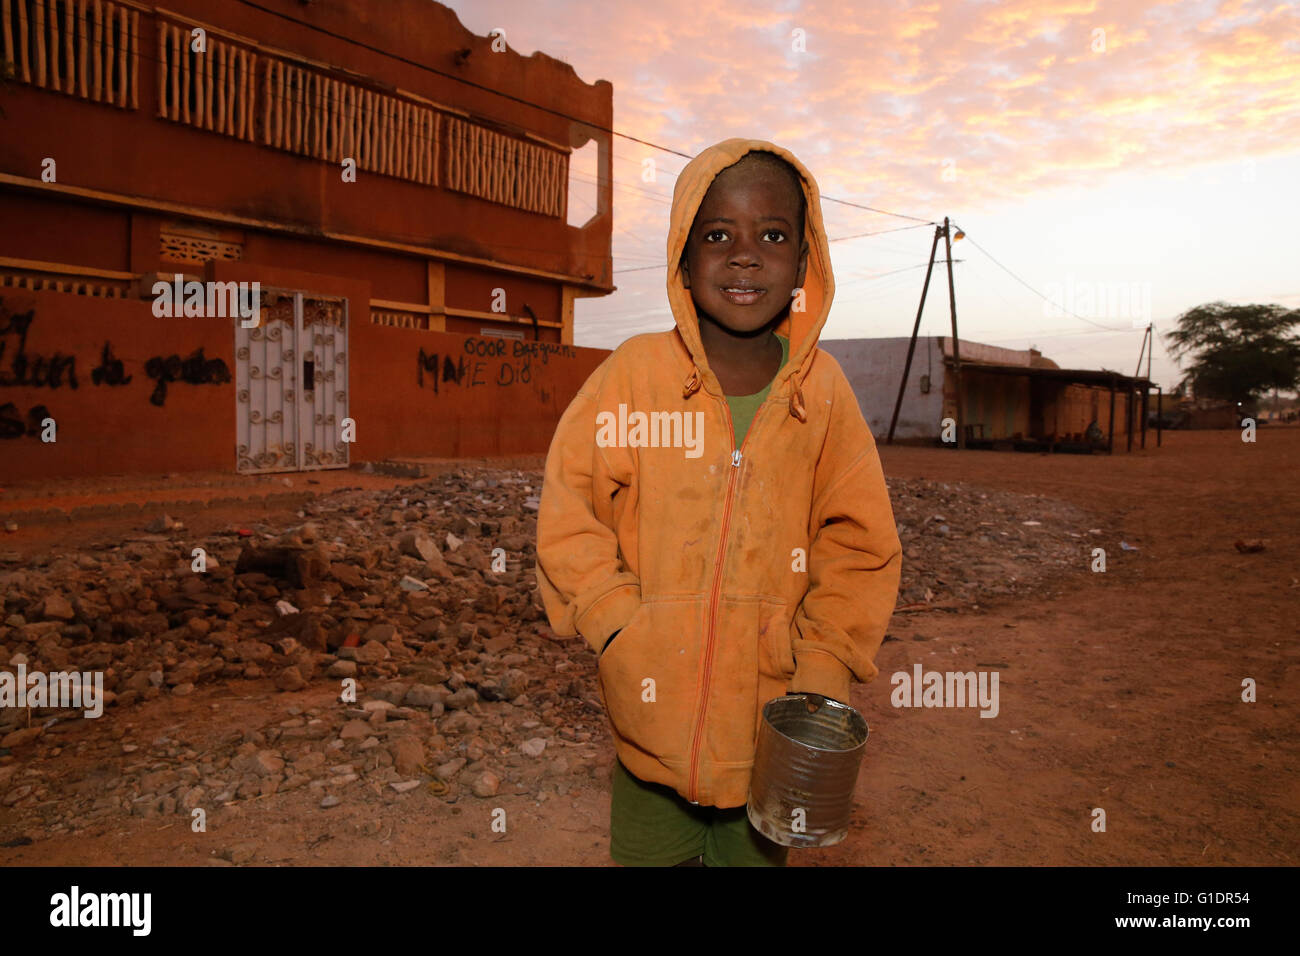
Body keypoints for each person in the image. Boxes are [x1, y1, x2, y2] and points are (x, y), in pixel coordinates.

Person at [535, 139, 902, 866]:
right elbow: (570, 505)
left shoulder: (821, 394)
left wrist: (823, 666)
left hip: (769, 732)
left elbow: (859, 544)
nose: (744, 256)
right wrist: (614, 623)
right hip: (649, 735)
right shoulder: (635, 376)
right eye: (717, 235)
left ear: (804, 261)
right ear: (682, 253)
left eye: (772, 235)